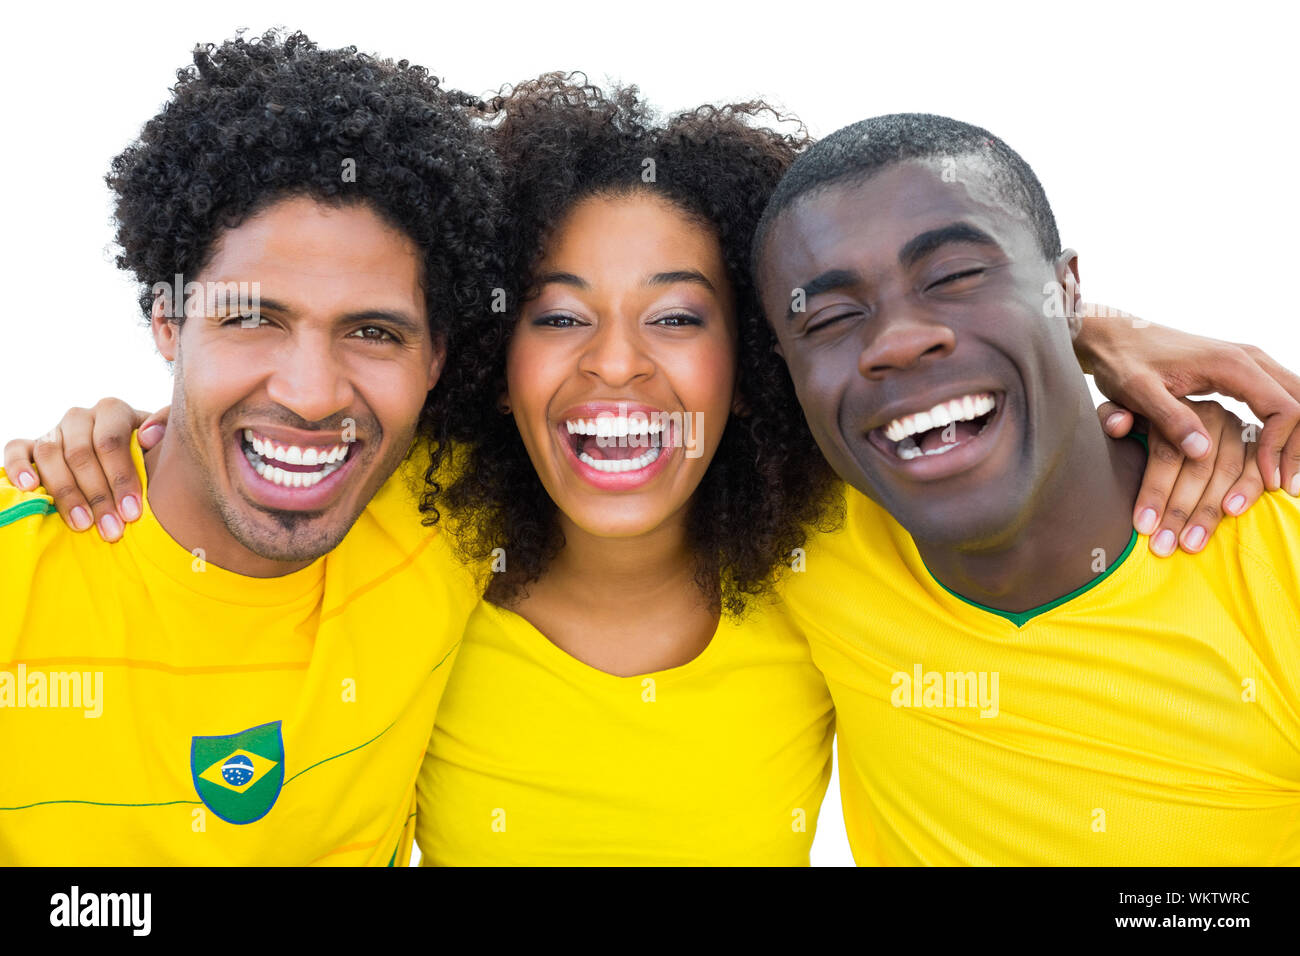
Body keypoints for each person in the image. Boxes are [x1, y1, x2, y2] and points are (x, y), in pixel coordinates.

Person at [18, 77, 1298, 867]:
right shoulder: (403, 521)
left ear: (750, 359)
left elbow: (911, 349)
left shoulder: (842, 541)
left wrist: (1090, 340)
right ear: (488, 357)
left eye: (680, 317)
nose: (617, 368)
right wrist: (119, 436)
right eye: (561, 314)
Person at [0, 31, 498, 864]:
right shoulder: (19, 579)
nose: (311, 394)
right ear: (167, 321)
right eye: (253, 319)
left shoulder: (456, 513)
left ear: (436, 358)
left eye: (373, 332)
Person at [755, 112, 1300, 864]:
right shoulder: (783, 545)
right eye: (833, 317)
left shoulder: (1277, 567)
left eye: (954, 276)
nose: (899, 340)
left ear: (1067, 290)